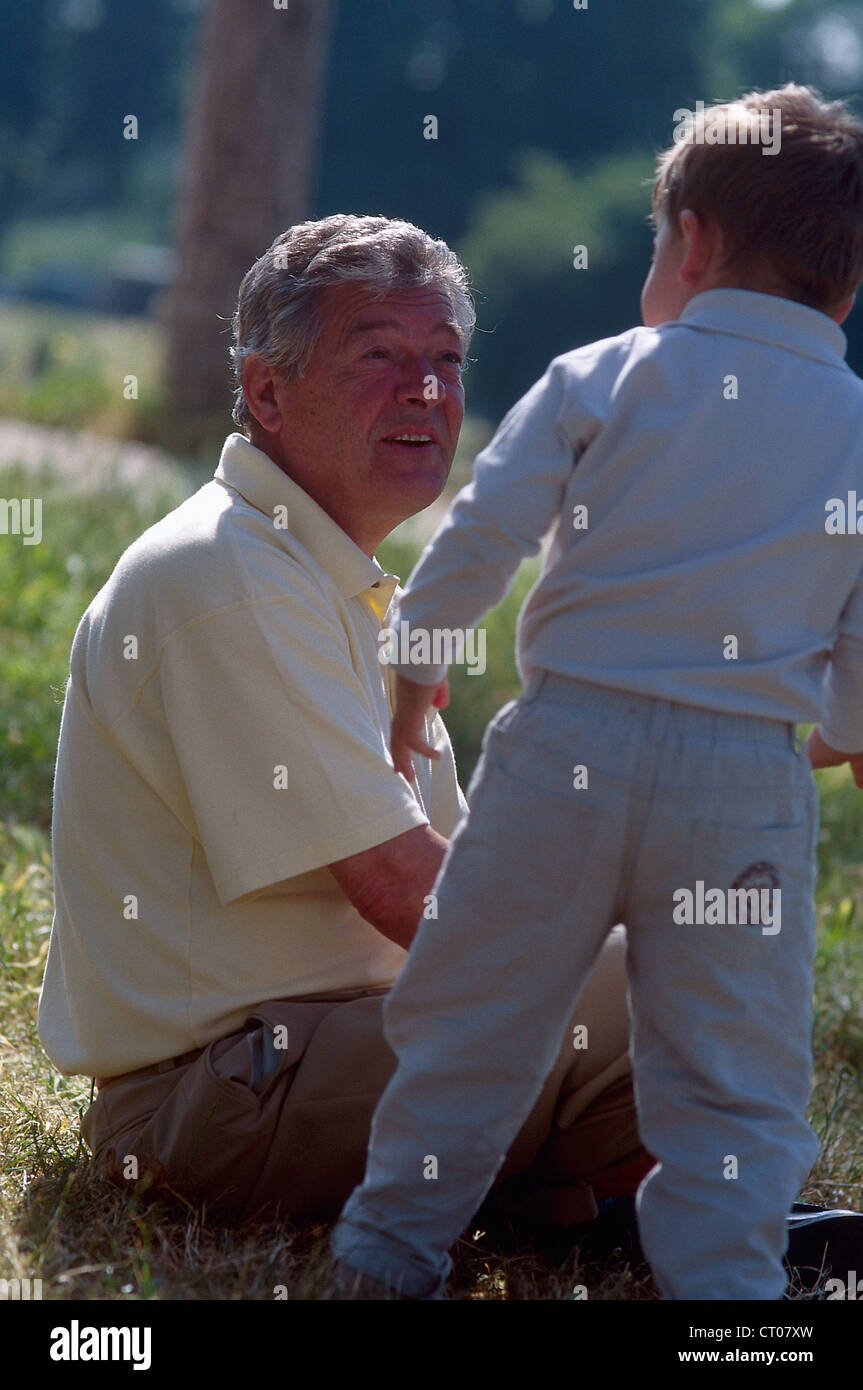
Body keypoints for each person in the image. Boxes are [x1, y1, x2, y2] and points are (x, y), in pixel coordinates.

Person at [331, 86, 863, 1300]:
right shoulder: (851, 425)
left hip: (562, 754)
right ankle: (727, 1297)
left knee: (473, 1015)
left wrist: (419, 669)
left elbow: (478, 537)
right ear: (843, 284)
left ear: (687, 240)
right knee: (731, 1065)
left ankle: (385, 1255)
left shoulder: (599, 377)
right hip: (742, 785)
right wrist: (841, 733)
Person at [36, 215, 651, 1235]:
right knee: (657, 966)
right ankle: (677, 1218)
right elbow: (402, 889)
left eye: (445, 360)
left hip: (313, 1057)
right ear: (266, 390)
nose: (427, 392)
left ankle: (659, 1218)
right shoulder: (228, 572)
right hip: (219, 1099)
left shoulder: (327, 579)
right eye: (379, 357)